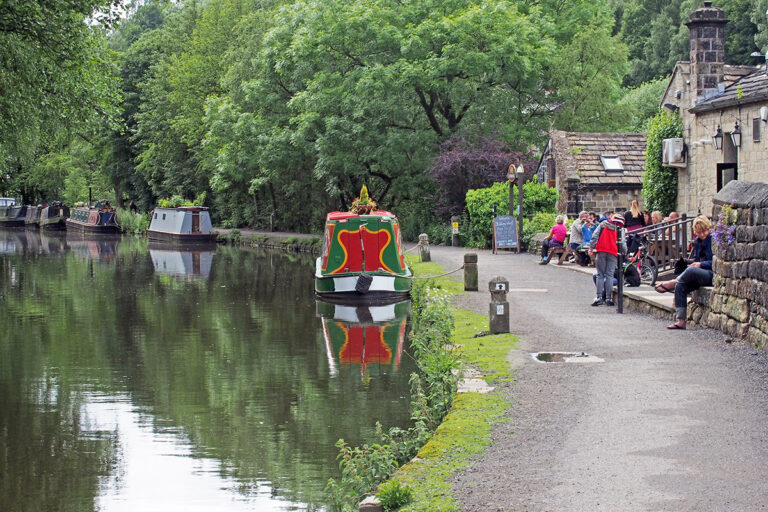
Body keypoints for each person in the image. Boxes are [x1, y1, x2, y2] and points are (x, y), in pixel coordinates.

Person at [654, 215, 713, 330]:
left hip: (711, 274)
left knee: (690, 271)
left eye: (704, 231)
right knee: (681, 285)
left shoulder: (713, 239)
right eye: (699, 232)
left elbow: (715, 262)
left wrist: (701, 264)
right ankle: (681, 321)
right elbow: (697, 260)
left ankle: (672, 282)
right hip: (699, 273)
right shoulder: (697, 241)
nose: (702, 235)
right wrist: (695, 263)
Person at [588, 214, 627, 306]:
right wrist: (625, 251)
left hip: (601, 250)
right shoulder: (619, 229)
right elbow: (623, 243)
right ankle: (609, 298)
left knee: (600, 275)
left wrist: (591, 248)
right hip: (613, 252)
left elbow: (594, 237)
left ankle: (599, 297)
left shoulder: (602, 225)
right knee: (609, 275)